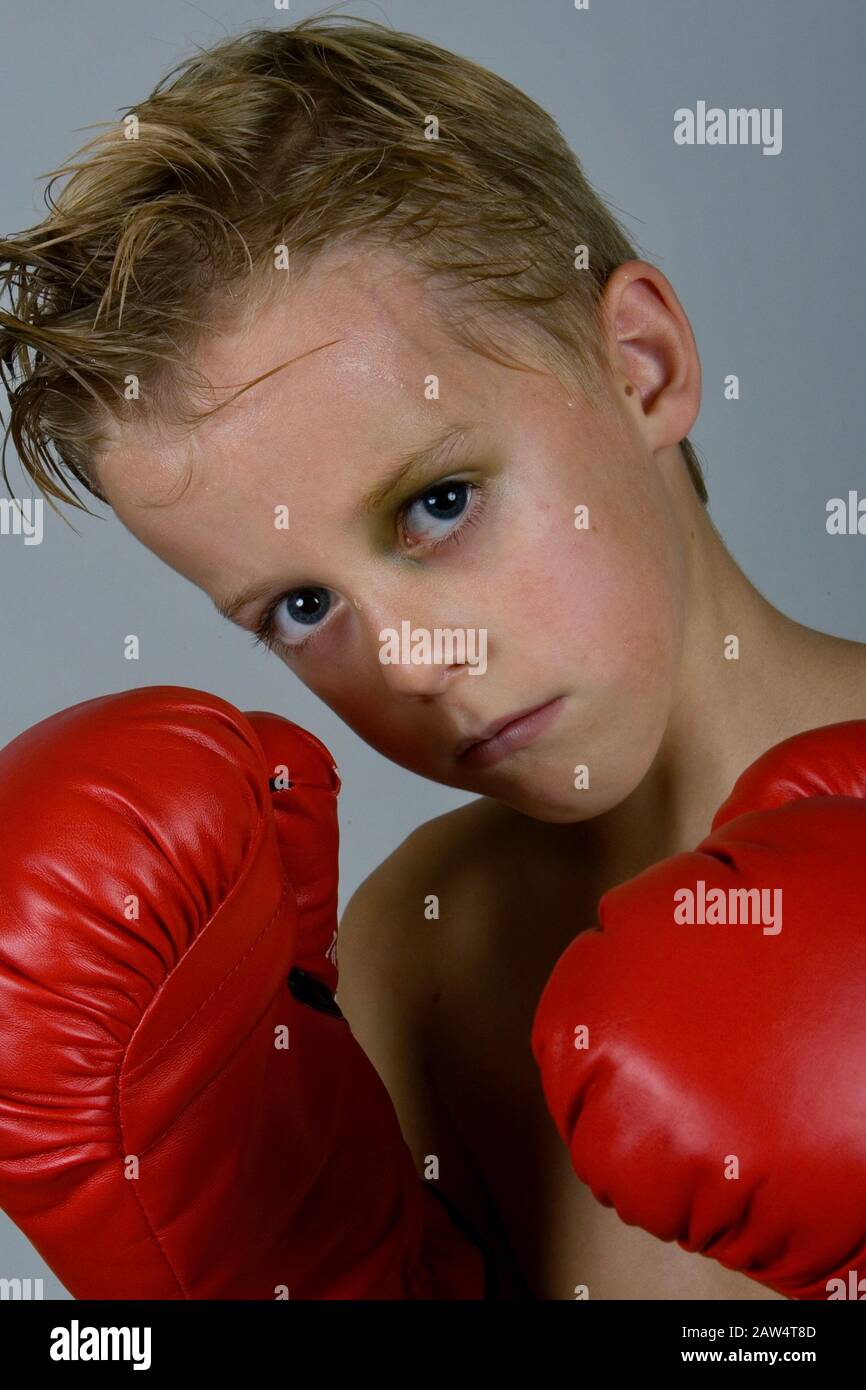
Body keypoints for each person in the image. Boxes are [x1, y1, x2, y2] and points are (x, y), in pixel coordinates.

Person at [1, 16, 864, 1300]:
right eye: (298, 605)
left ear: (641, 366)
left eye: (438, 502)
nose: (409, 661)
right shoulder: (422, 952)